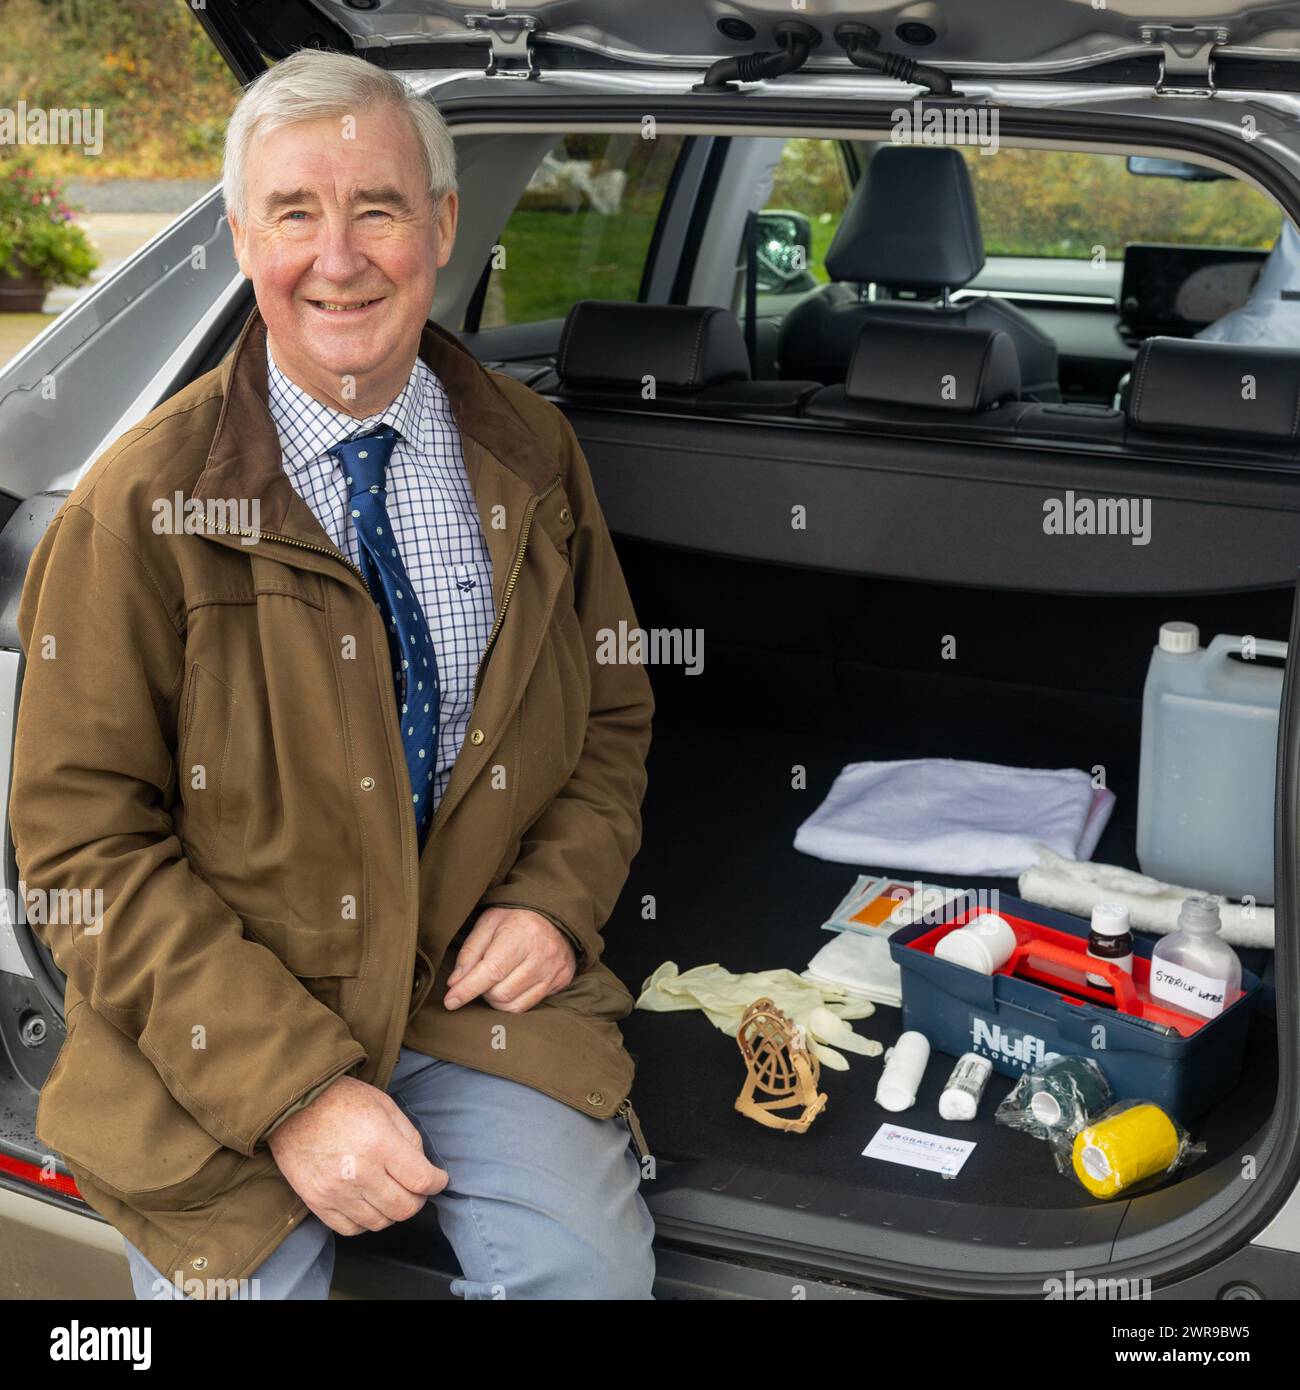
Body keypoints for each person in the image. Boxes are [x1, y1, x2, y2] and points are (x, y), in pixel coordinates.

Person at [10, 48, 656, 1300]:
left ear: (443, 224)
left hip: (467, 999)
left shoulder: (532, 453)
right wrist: (297, 1091)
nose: (339, 255)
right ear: (244, 237)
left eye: (378, 208)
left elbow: (611, 713)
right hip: (220, 1023)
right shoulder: (134, 503)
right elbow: (82, 853)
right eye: (296, 213)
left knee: (584, 1278)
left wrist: (556, 902)